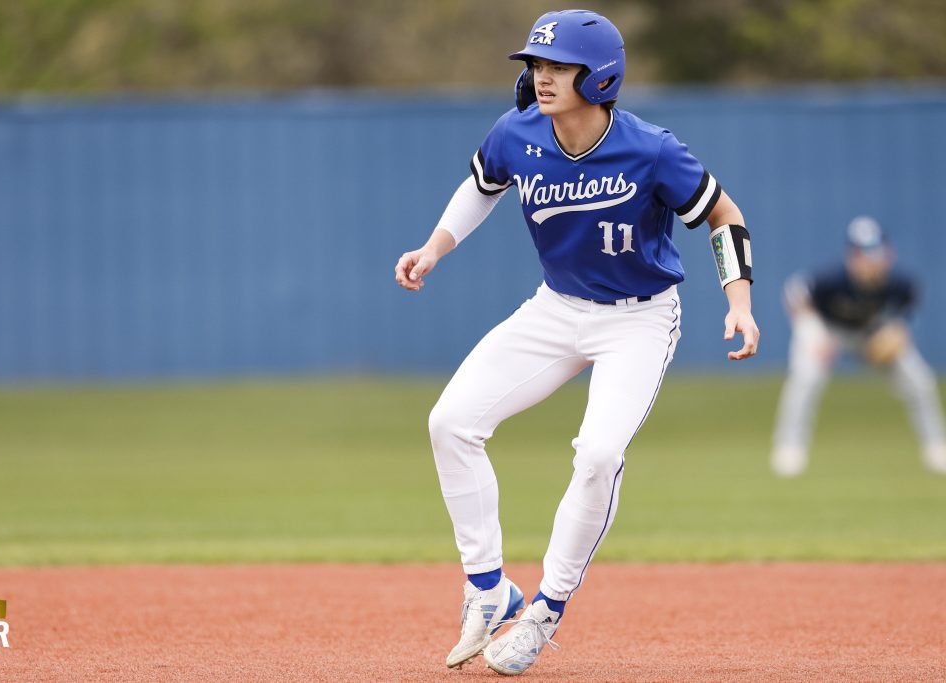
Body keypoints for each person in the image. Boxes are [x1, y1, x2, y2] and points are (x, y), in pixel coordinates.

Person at [394, 10, 759, 676]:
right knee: (450, 422)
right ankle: (486, 588)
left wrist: (740, 301)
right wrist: (434, 247)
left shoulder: (649, 149)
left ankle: (545, 610)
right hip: (557, 308)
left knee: (596, 454)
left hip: (639, 319)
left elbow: (723, 214)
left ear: (602, 77)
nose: (542, 78)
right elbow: (482, 187)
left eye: (560, 67)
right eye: (536, 65)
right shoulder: (518, 132)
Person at [771, 216, 946, 477]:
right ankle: (789, 449)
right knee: (805, 380)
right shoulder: (832, 279)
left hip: (870, 334)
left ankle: (936, 447)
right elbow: (794, 293)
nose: (870, 262)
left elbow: (908, 306)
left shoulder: (899, 283)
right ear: (851, 257)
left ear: (888, 254)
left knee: (919, 381)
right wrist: (812, 334)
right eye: (863, 255)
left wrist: (897, 329)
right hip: (829, 331)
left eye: (875, 255)